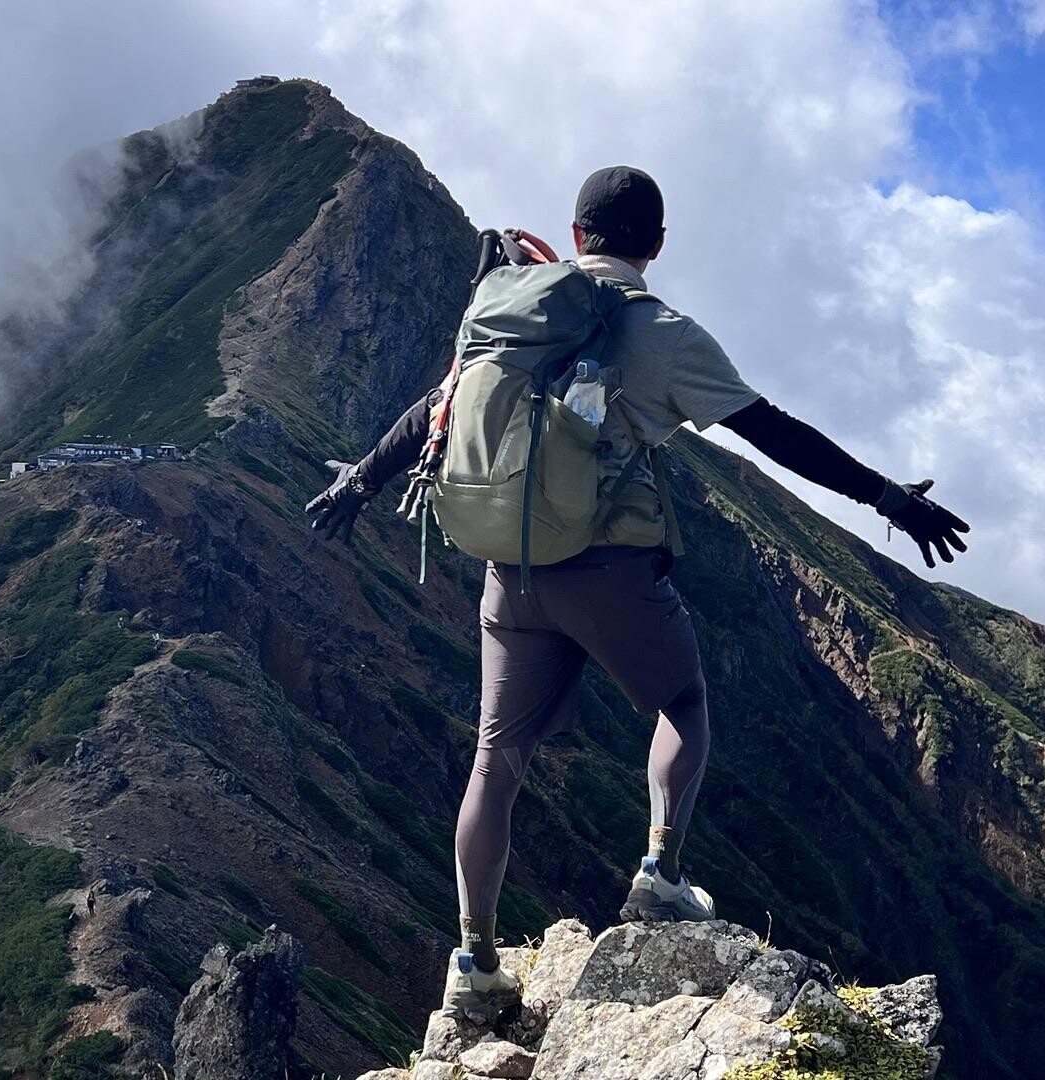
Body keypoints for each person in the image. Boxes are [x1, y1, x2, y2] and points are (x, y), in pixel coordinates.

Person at [305, 166, 970, 1020]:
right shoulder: (662, 333)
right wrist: (887, 498)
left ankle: (472, 960)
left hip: (510, 571)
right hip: (610, 570)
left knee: (495, 759)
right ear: (655, 244)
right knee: (682, 704)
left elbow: (435, 406)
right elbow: (773, 433)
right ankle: (660, 873)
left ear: (575, 235)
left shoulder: (507, 316)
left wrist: (360, 480)